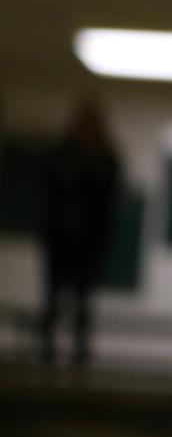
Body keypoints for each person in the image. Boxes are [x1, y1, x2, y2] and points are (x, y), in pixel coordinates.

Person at [37, 94, 124, 370]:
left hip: (89, 241)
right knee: (53, 297)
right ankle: (48, 351)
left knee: (82, 300)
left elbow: (109, 194)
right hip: (60, 238)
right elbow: (51, 187)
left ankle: (79, 353)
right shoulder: (63, 153)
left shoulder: (105, 156)